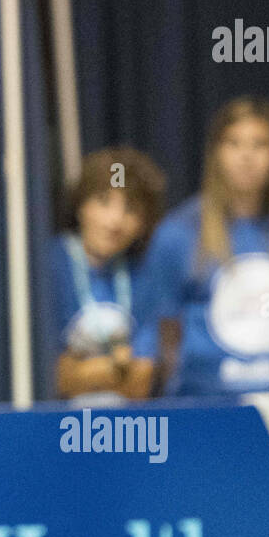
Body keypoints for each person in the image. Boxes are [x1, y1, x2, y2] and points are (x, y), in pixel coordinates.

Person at [133, 97, 269, 397]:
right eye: (233, 144)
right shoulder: (177, 233)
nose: (246, 156)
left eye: (259, 144)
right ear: (215, 153)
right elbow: (167, 331)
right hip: (205, 402)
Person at [50, 146, 166, 401]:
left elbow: (142, 382)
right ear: (80, 204)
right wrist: (119, 366)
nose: (115, 221)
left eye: (131, 210)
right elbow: (54, 378)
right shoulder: (50, 265)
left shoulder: (145, 274)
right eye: (104, 202)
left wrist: (82, 371)